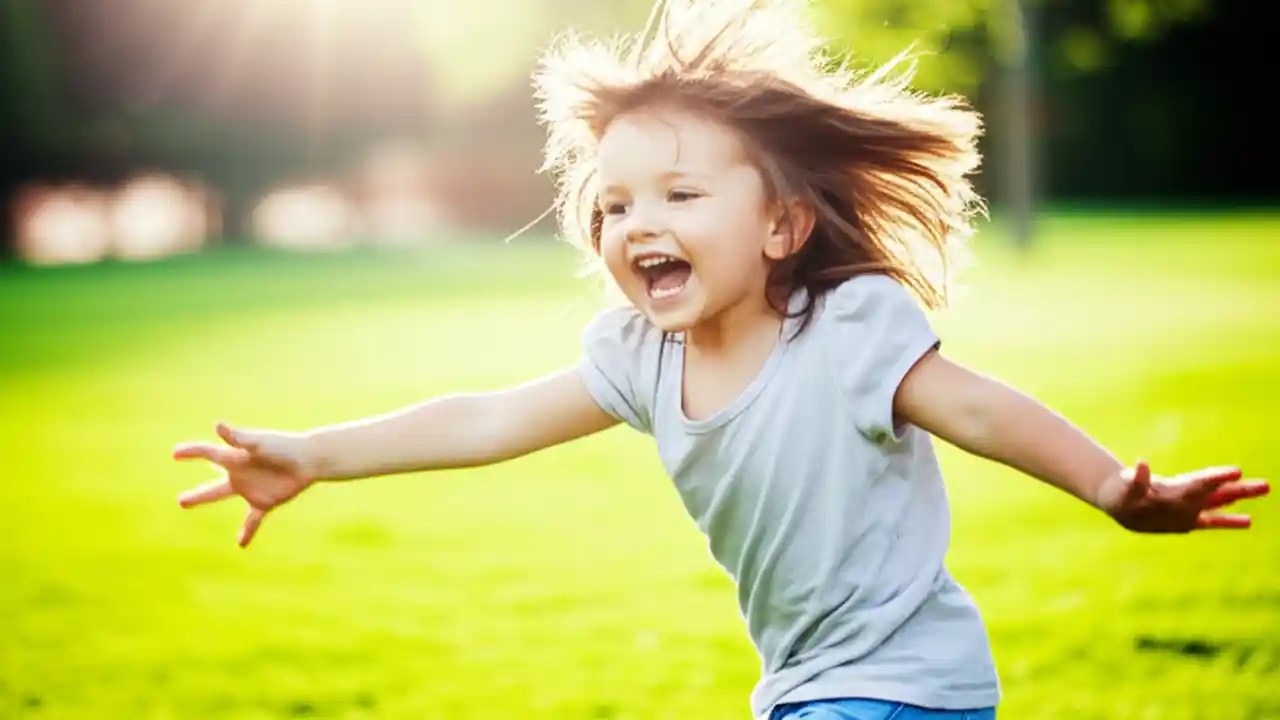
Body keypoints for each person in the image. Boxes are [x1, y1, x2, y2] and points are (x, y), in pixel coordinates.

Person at [171, 1, 1271, 718]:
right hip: (801, 688)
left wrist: (1110, 489)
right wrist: (314, 454)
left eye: (680, 195)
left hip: (900, 687)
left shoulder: (843, 332)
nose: (637, 221)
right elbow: (483, 421)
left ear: (781, 228)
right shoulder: (641, 357)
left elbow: (976, 410)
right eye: (612, 205)